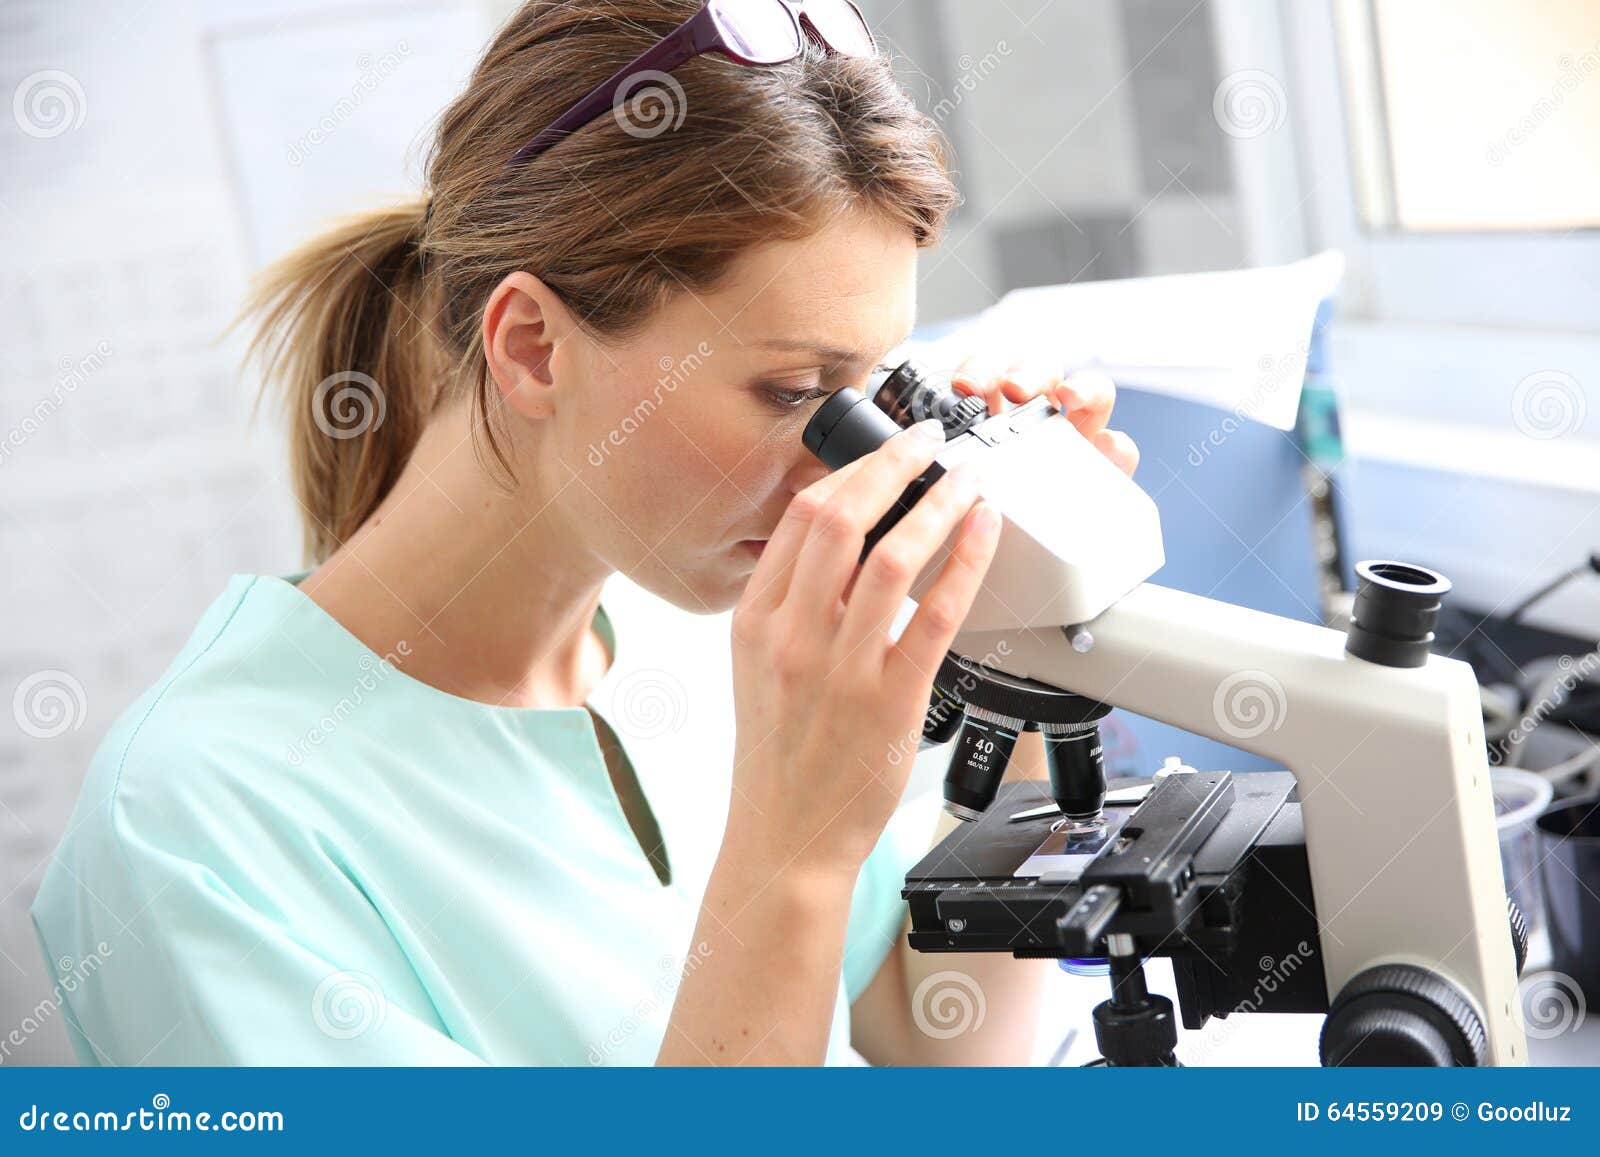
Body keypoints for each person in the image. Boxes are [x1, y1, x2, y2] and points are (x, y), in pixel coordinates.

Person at [32, 0, 1137, 1065]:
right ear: (531, 348)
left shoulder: (708, 628)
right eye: (796, 388)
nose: (843, 463)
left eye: (873, 388)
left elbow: (940, 1042)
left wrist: (1015, 630)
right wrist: (789, 855)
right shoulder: (194, 830)